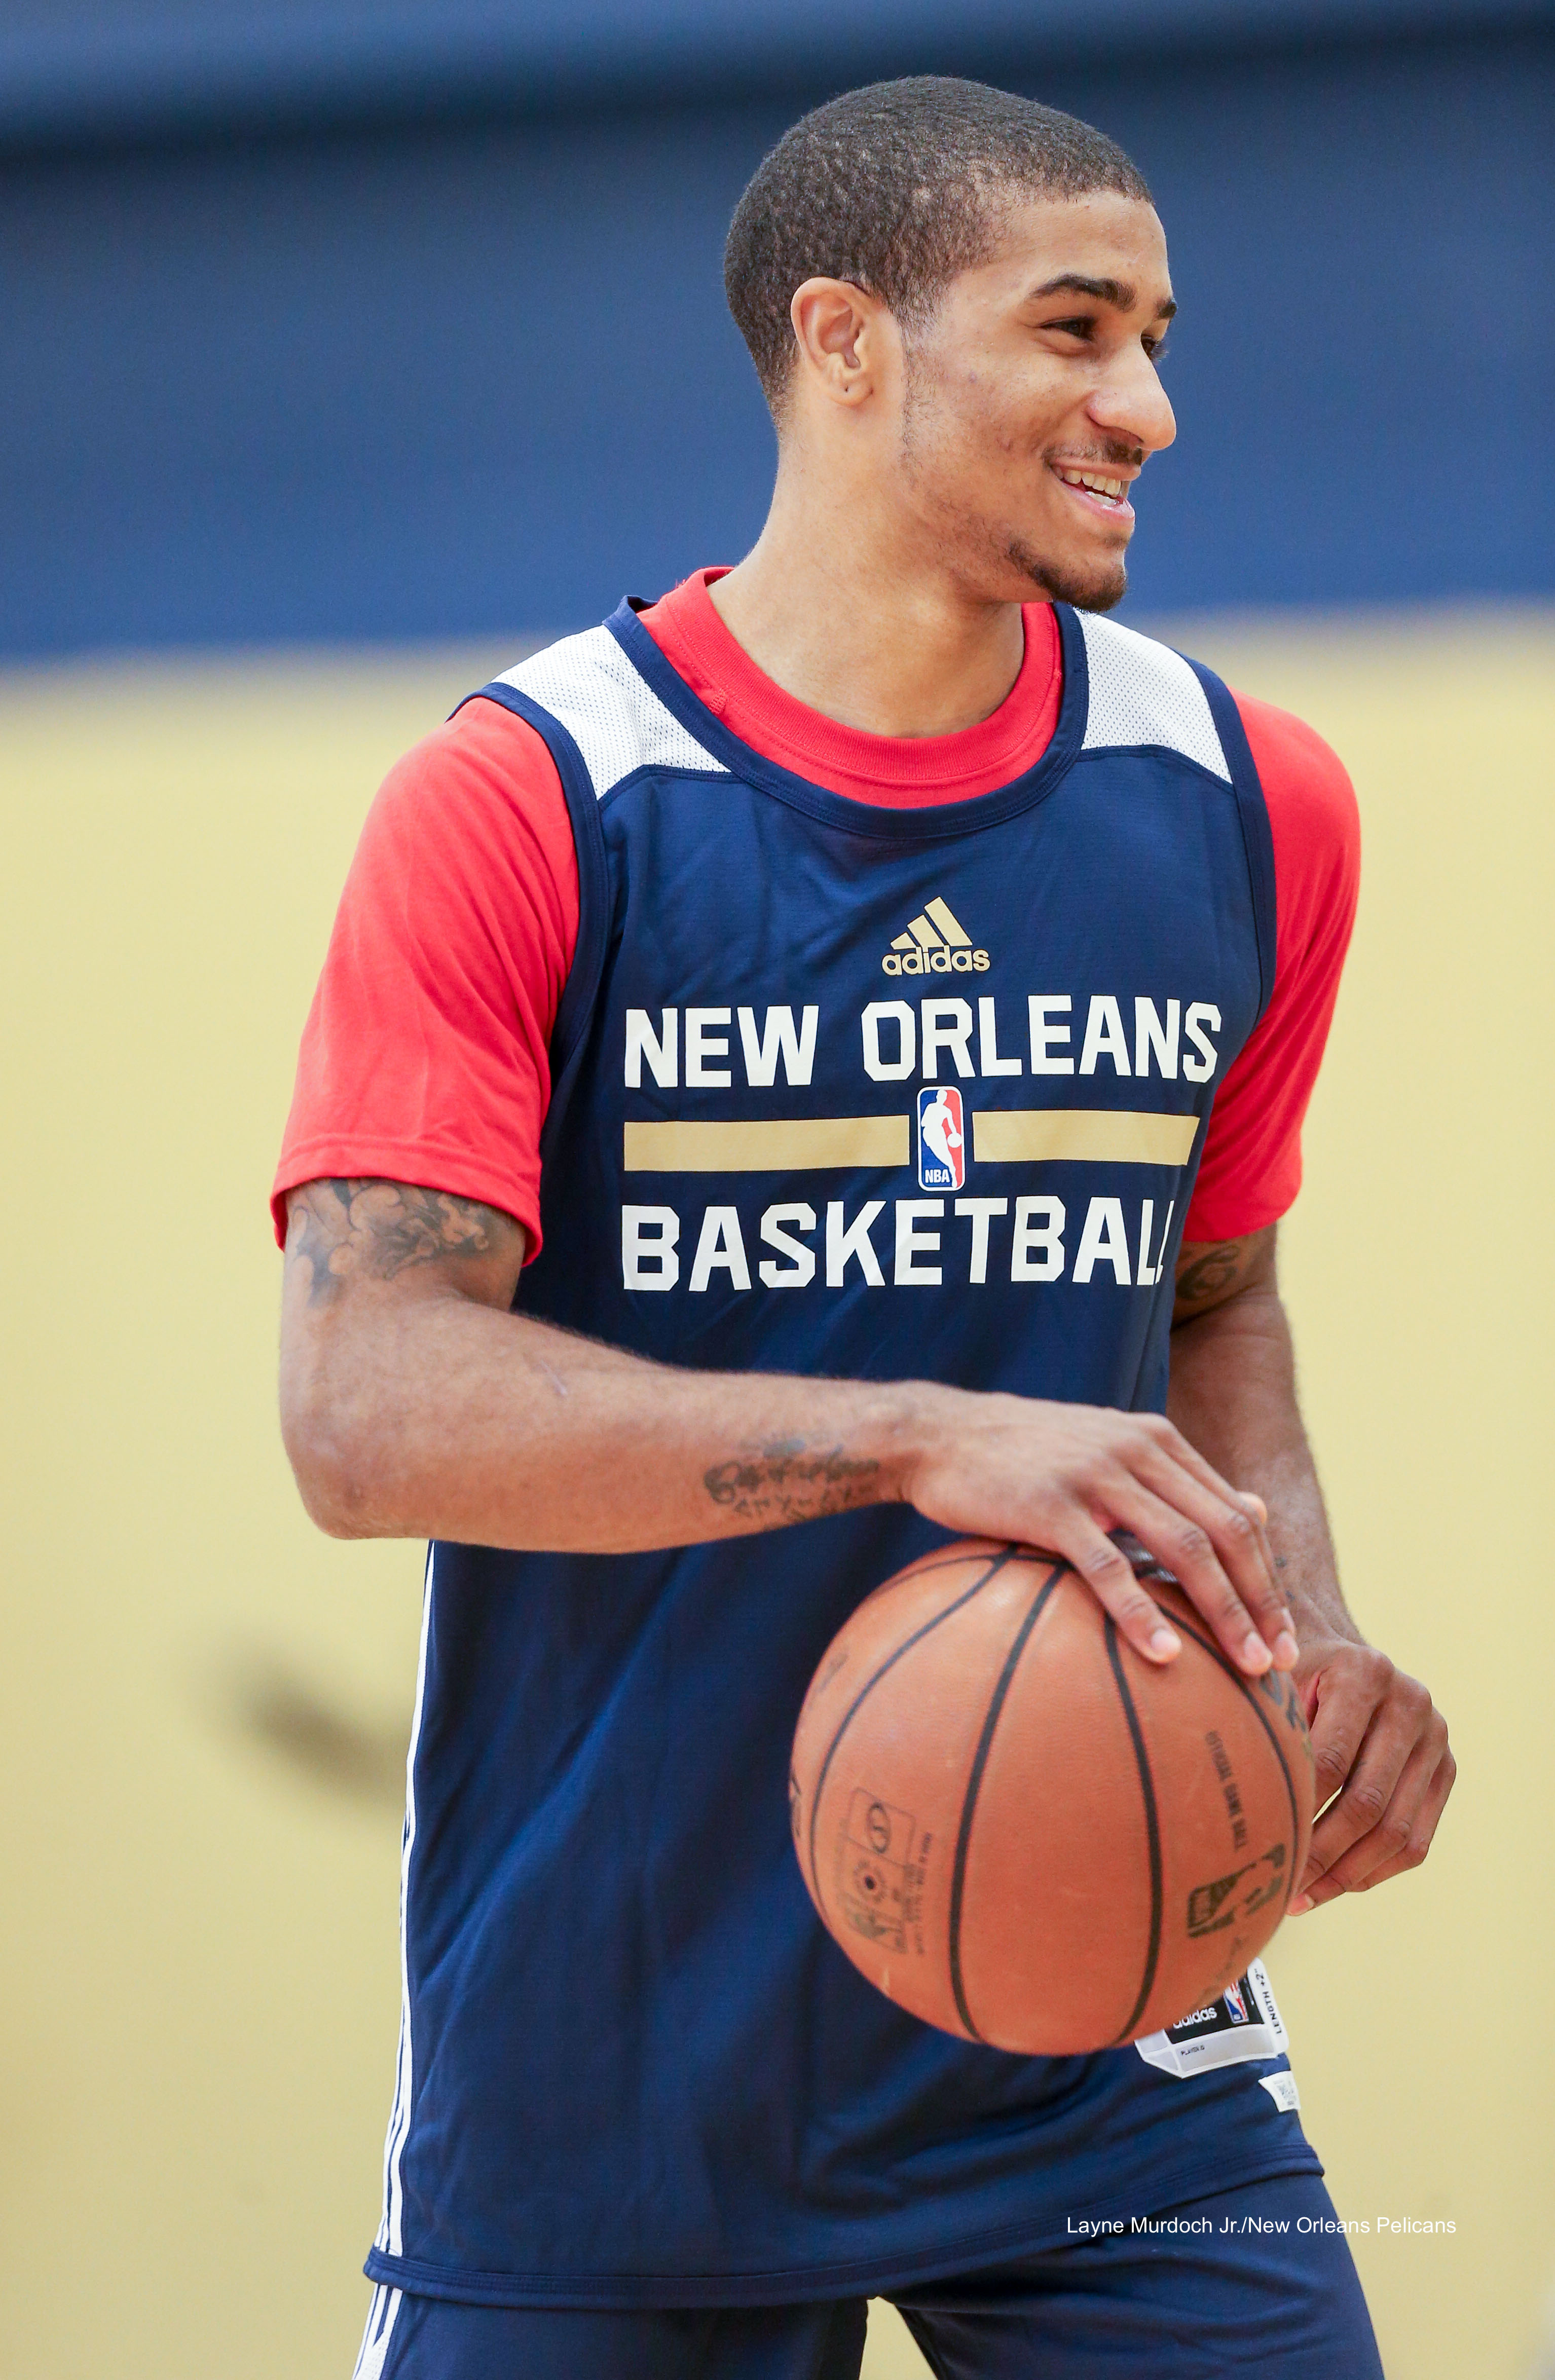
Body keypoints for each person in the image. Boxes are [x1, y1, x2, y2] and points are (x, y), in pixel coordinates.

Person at [274, 77, 1454, 2380]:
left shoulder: (1240, 796)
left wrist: (1295, 1636)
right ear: (848, 342)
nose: (1148, 403)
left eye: (1155, 333)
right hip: (614, 2036)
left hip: (1110, 1996)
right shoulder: (533, 798)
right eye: (1074, 327)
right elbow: (364, 1405)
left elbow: (1212, 1295)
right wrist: (921, 1431)